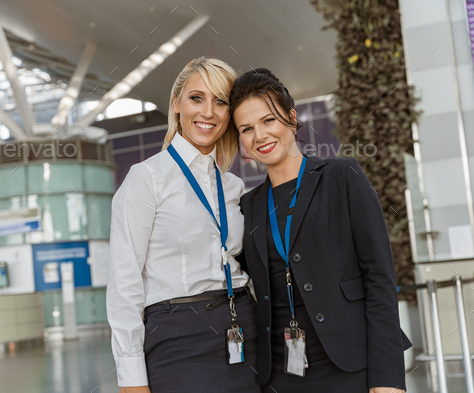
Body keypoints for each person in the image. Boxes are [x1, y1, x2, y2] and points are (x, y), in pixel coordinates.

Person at [230, 68, 412, 393]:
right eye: (247, 128)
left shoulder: (342, 177)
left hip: (351, 366)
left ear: (291, 117)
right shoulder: (248, 206)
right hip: (281, 375)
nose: (260, 136)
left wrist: (388, 380)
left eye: (268, 120)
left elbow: (379, 277)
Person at [106, 57, 261, 393]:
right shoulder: (146, 179)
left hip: (243, 331)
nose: (208, 112)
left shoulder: (233, 186)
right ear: (176, 104)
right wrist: (131, 379)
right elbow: (124, 284)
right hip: (178, 340)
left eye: (220, 101)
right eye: (196, 98)